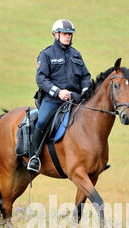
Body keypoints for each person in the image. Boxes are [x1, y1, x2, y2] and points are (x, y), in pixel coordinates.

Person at [27, 19, 91, 173]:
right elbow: (41, 79)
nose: (68, 36)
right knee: (41, 122)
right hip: (52, 99)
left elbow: (85, 77)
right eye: (65, 34)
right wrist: (58, 92)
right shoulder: (46, 54)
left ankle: (94, 158)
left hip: (74, 99)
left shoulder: (76, 54)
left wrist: (85, 91)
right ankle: (34, 157)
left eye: (70, 34)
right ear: (56, 34)